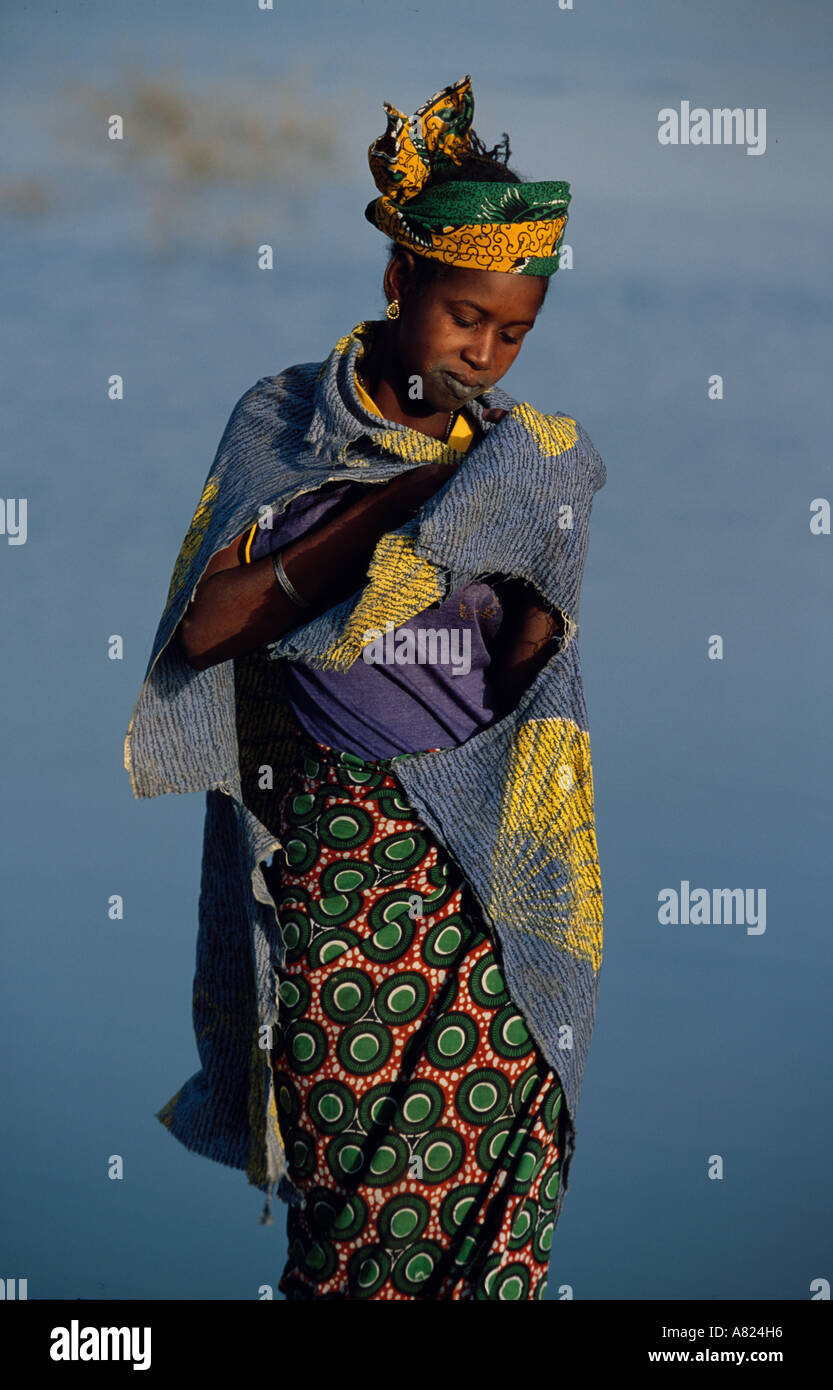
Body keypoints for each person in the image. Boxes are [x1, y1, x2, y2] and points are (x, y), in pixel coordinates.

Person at [125, 74, 606, 1301]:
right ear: (398, 280)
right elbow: (209, 630)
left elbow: (514, 687)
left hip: (485, 893)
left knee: (498, 1190)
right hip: (339, 875)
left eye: (511, 333)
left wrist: (538, 564)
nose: (482, 353)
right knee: (356, 1205)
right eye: (463, 318)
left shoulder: (510, 460)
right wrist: (402, 506)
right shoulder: (284, 422)